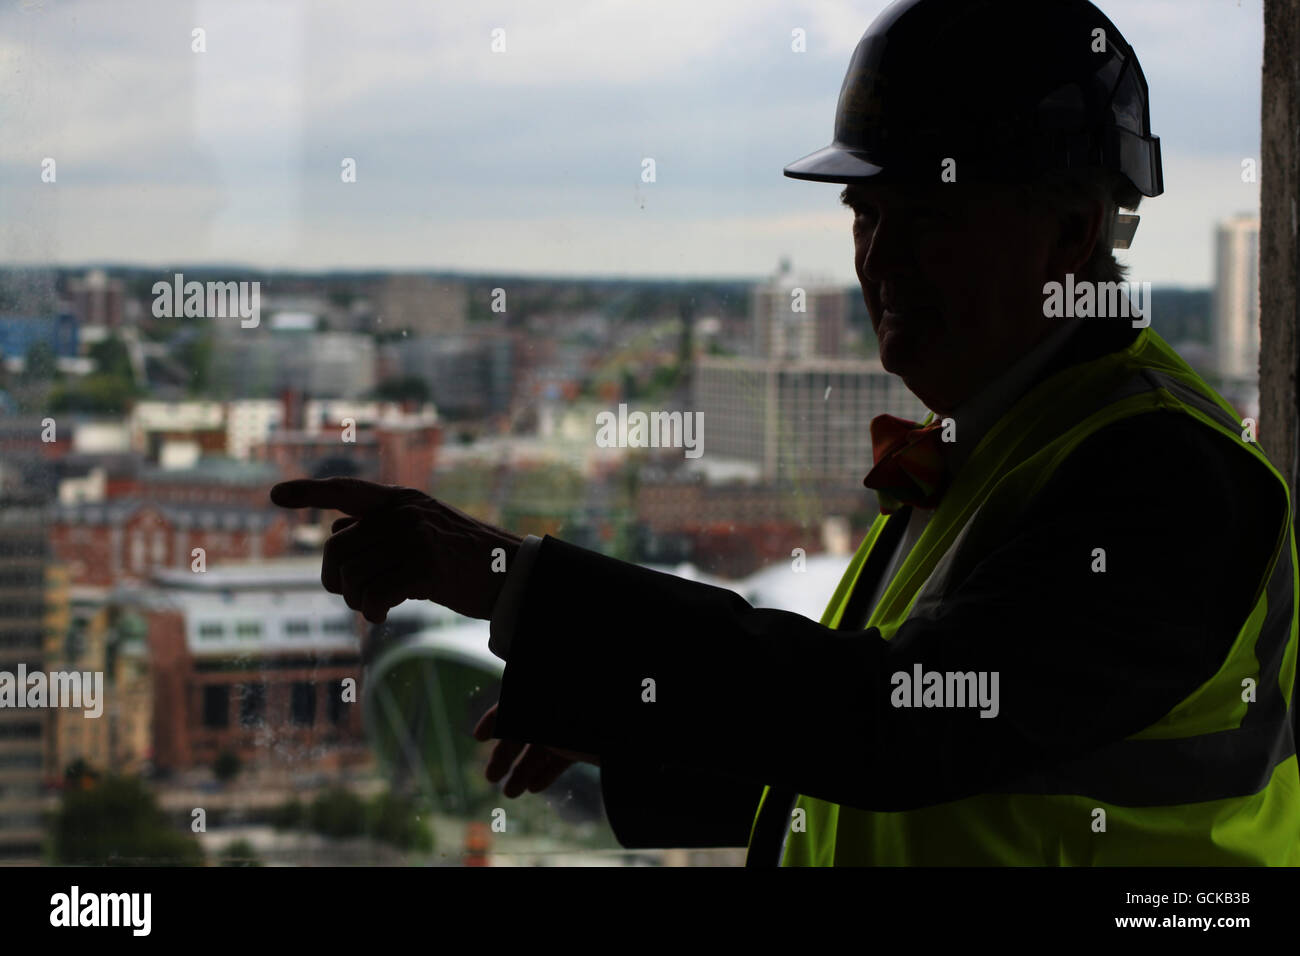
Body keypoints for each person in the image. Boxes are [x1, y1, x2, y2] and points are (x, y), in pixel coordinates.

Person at [271, 0, 1300, 865]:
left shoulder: (1164, 476)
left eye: (927, 214)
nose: (880, 257)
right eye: (865, 213)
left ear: (1070, 234)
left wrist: (512, 581)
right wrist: (629, 714)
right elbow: (915, 760)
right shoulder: (1002, 441)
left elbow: (896, 724)